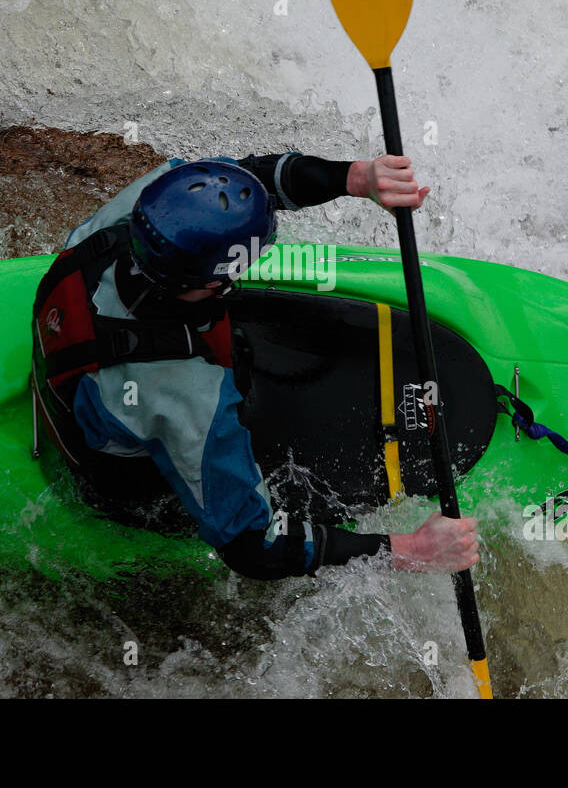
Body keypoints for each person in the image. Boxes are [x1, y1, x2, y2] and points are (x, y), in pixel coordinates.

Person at [30, 150, 479, 579]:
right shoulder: (187, 398)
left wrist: (357, 177)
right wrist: (412, 551)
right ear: (212, 279)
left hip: (83, 378)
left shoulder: (131, 218)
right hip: (129, 473)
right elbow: (254, 547)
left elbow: (248, 178)